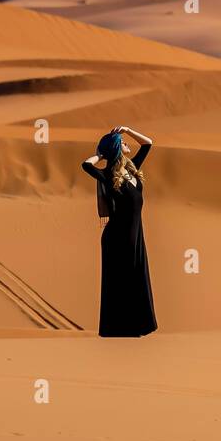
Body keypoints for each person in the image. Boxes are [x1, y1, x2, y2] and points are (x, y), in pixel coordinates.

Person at [81, 125, 157, 337]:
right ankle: (119, 329)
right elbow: (85, 165)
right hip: (117, 236)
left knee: (134, 277)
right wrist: (99, 155)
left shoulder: (132, 169)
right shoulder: (107, 175)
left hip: (135, 234)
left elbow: (148, 143)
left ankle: (136, 326)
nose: (127, 143)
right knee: (120, 282)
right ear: (116, 148)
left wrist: (127, 130)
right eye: (122, 142)